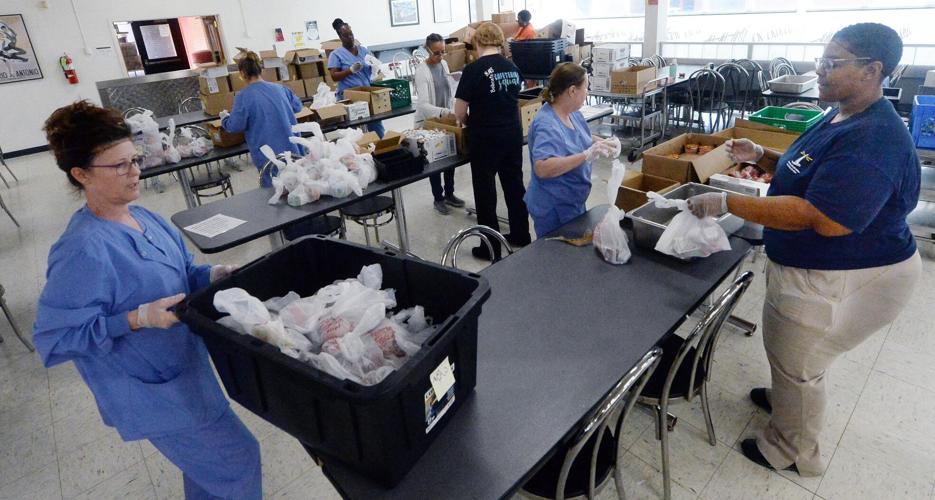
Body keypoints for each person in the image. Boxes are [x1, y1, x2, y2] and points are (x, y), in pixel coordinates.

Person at [686, 23, 921, 476]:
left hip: (848, 271)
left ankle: (792, 450)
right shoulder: (840, 113)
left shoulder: (874, 139)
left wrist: (728, 202)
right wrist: (762, 156)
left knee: (802, 360)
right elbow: (807, 167)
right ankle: (784, 401)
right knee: (787, 348)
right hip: (812, 263)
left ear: (873, 71)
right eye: (823, 59)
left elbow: (824, 218)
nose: (821, 69)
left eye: (834, 64)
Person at [34, 101, 262, 499]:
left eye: (135, 159)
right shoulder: (82, 250)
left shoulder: (145, 218)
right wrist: (135, 319)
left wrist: (212, 275)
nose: (135, 171)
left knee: (209, 474)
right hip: (154, 394)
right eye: (119, 165)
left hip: (186, 371)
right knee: (237, 461)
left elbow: (182, 274)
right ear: (81, 174)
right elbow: (53, 339)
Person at [455, 22, 531, 260]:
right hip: (512, 133)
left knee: (485, 192)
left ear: (478, 42)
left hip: (485, 137)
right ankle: (521, 234)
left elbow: (459, 110)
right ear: (498, 42)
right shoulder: (511, 66)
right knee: (514, 185)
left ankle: (490, 247)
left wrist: (466, 121)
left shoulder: (473, 70)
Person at [524, 63, 619, 236]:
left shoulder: (573, 113)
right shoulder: (547, 124)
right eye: (586, 88)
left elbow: (581, 137)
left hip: (572, 200)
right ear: (572, 91)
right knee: (559, 256)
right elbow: (543, 168)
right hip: (553, 206)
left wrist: (603, 143)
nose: (587, 93)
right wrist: (585, 155)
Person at [220, 50, 303, 188]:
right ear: (260, 69)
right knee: (300, 187)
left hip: (270, 158)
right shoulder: (280, 88)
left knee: (277, 192)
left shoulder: (243, 96)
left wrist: (224, 119)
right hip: (294, 152)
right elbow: (298, 107)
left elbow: (235, 126)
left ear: (242, 74)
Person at [414, 33, 466, 215]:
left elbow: (448, 88)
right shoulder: (422, 71)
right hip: (428, 121)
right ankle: (438, 198)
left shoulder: (443, 64)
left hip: (445, 118)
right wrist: (444, 112)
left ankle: (450, 194)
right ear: (427, 50)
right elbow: (423, 105)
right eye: (436, 53)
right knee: (435, 161)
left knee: (450, 155)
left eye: (443, 52)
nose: (441, 56)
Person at [328, 18, 385, 138]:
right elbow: (334, 77)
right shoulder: (336, 54)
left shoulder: (363, 50)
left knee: (376, 125)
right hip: (350, 97)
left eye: (351, 34)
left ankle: (382, 148)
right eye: (346, 35)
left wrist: (375, 68)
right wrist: (350, 70)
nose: (350, 38)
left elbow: (372, 66)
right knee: (353, 131)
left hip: (366, 93)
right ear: (340, 37)